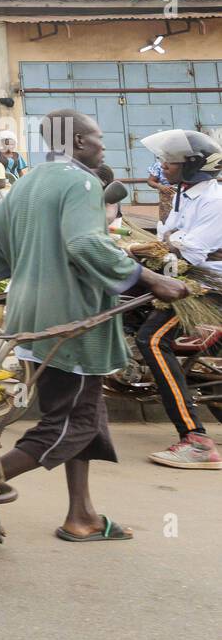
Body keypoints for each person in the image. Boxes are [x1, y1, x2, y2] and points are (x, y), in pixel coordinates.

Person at [0, 109, 190, 542]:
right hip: (71, 322)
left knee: (86, 414)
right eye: (97, 138)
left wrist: (32, 273)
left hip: (31, 315)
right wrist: (151, 279)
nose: (103, 146)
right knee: (68, 423)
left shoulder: (31, 178)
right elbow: (85, 242)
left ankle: (82, 515)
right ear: (75, 143)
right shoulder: (82, 182)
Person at [131, 129, 222, 469]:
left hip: (207, 287)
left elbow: (191, 250)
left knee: (151, 339)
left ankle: (196, 441)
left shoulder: (214, 201)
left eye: (171, 161)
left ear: (194, 166)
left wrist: (134, 248)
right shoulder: (184, 193)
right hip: (180, 274)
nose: (163, 165)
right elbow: (168, 235)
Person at [146, 159, 177, 226]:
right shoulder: (158, 164)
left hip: (182, 194)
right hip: (166, 196)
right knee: (166, 219)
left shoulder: (184, 163)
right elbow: (150, 181)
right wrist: (161, 187)